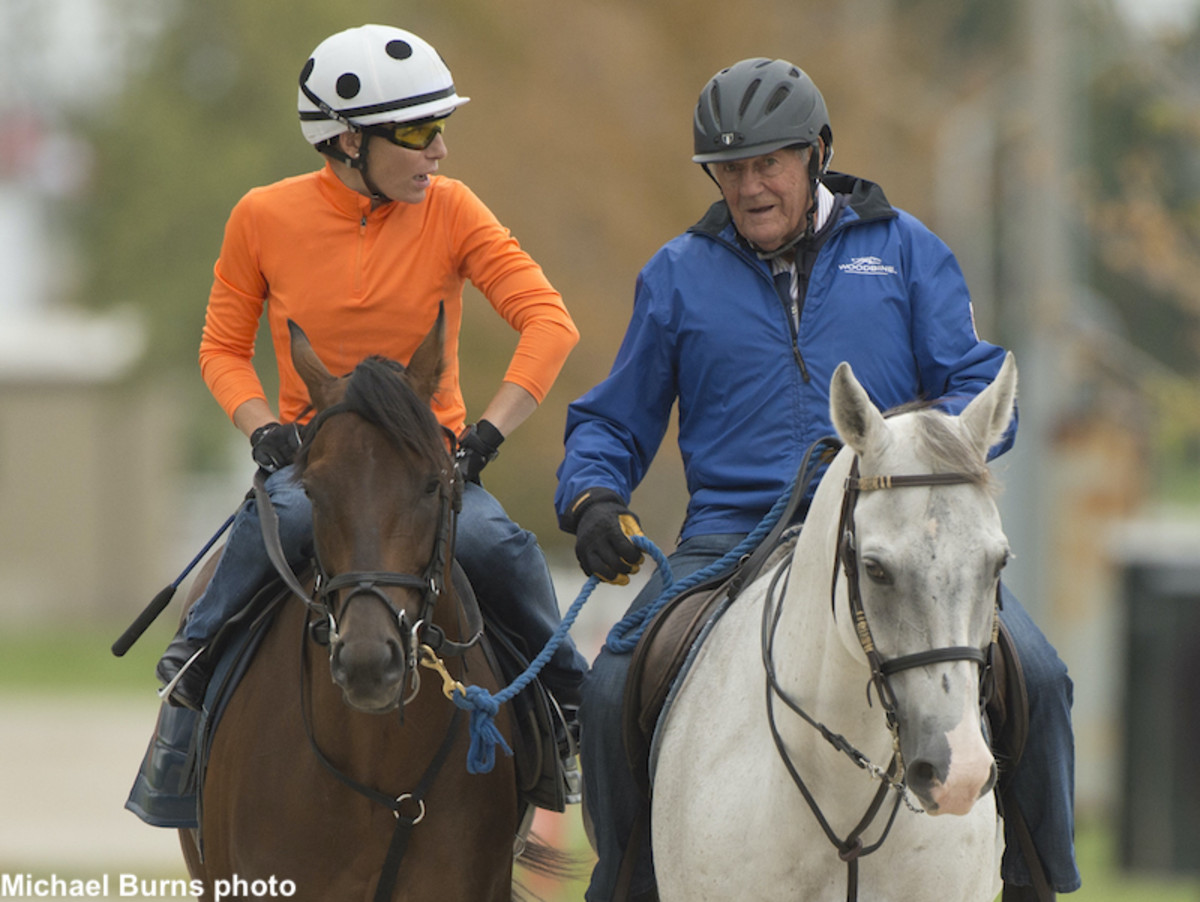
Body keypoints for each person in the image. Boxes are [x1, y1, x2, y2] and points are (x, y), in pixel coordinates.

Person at [556, 58, 1080, 901]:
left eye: (768, 164)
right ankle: (627, 883)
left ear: (816, 154)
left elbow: (975, 380)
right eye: (730, 169)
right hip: (731, 534)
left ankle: (1032, 877)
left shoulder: (906, 251)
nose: (749, 187)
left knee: (1041, 676)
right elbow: (614, 419)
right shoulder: (678, 273)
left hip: (893, 523)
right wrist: (592, 496)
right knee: (614, 683)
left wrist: (918, 451)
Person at [155, 24, 588, 779]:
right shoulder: (261, 216)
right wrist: (262, 430)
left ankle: (570, 704)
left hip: (428, 462)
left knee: (499, 547)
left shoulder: (454, 210)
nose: (439, 151)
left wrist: (486, 435)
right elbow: (221, 349)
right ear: (350, 141)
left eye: (439, 129)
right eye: (417, 133)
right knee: (281, 522)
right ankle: (192, 671)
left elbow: (550, 323)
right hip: (315, 462)